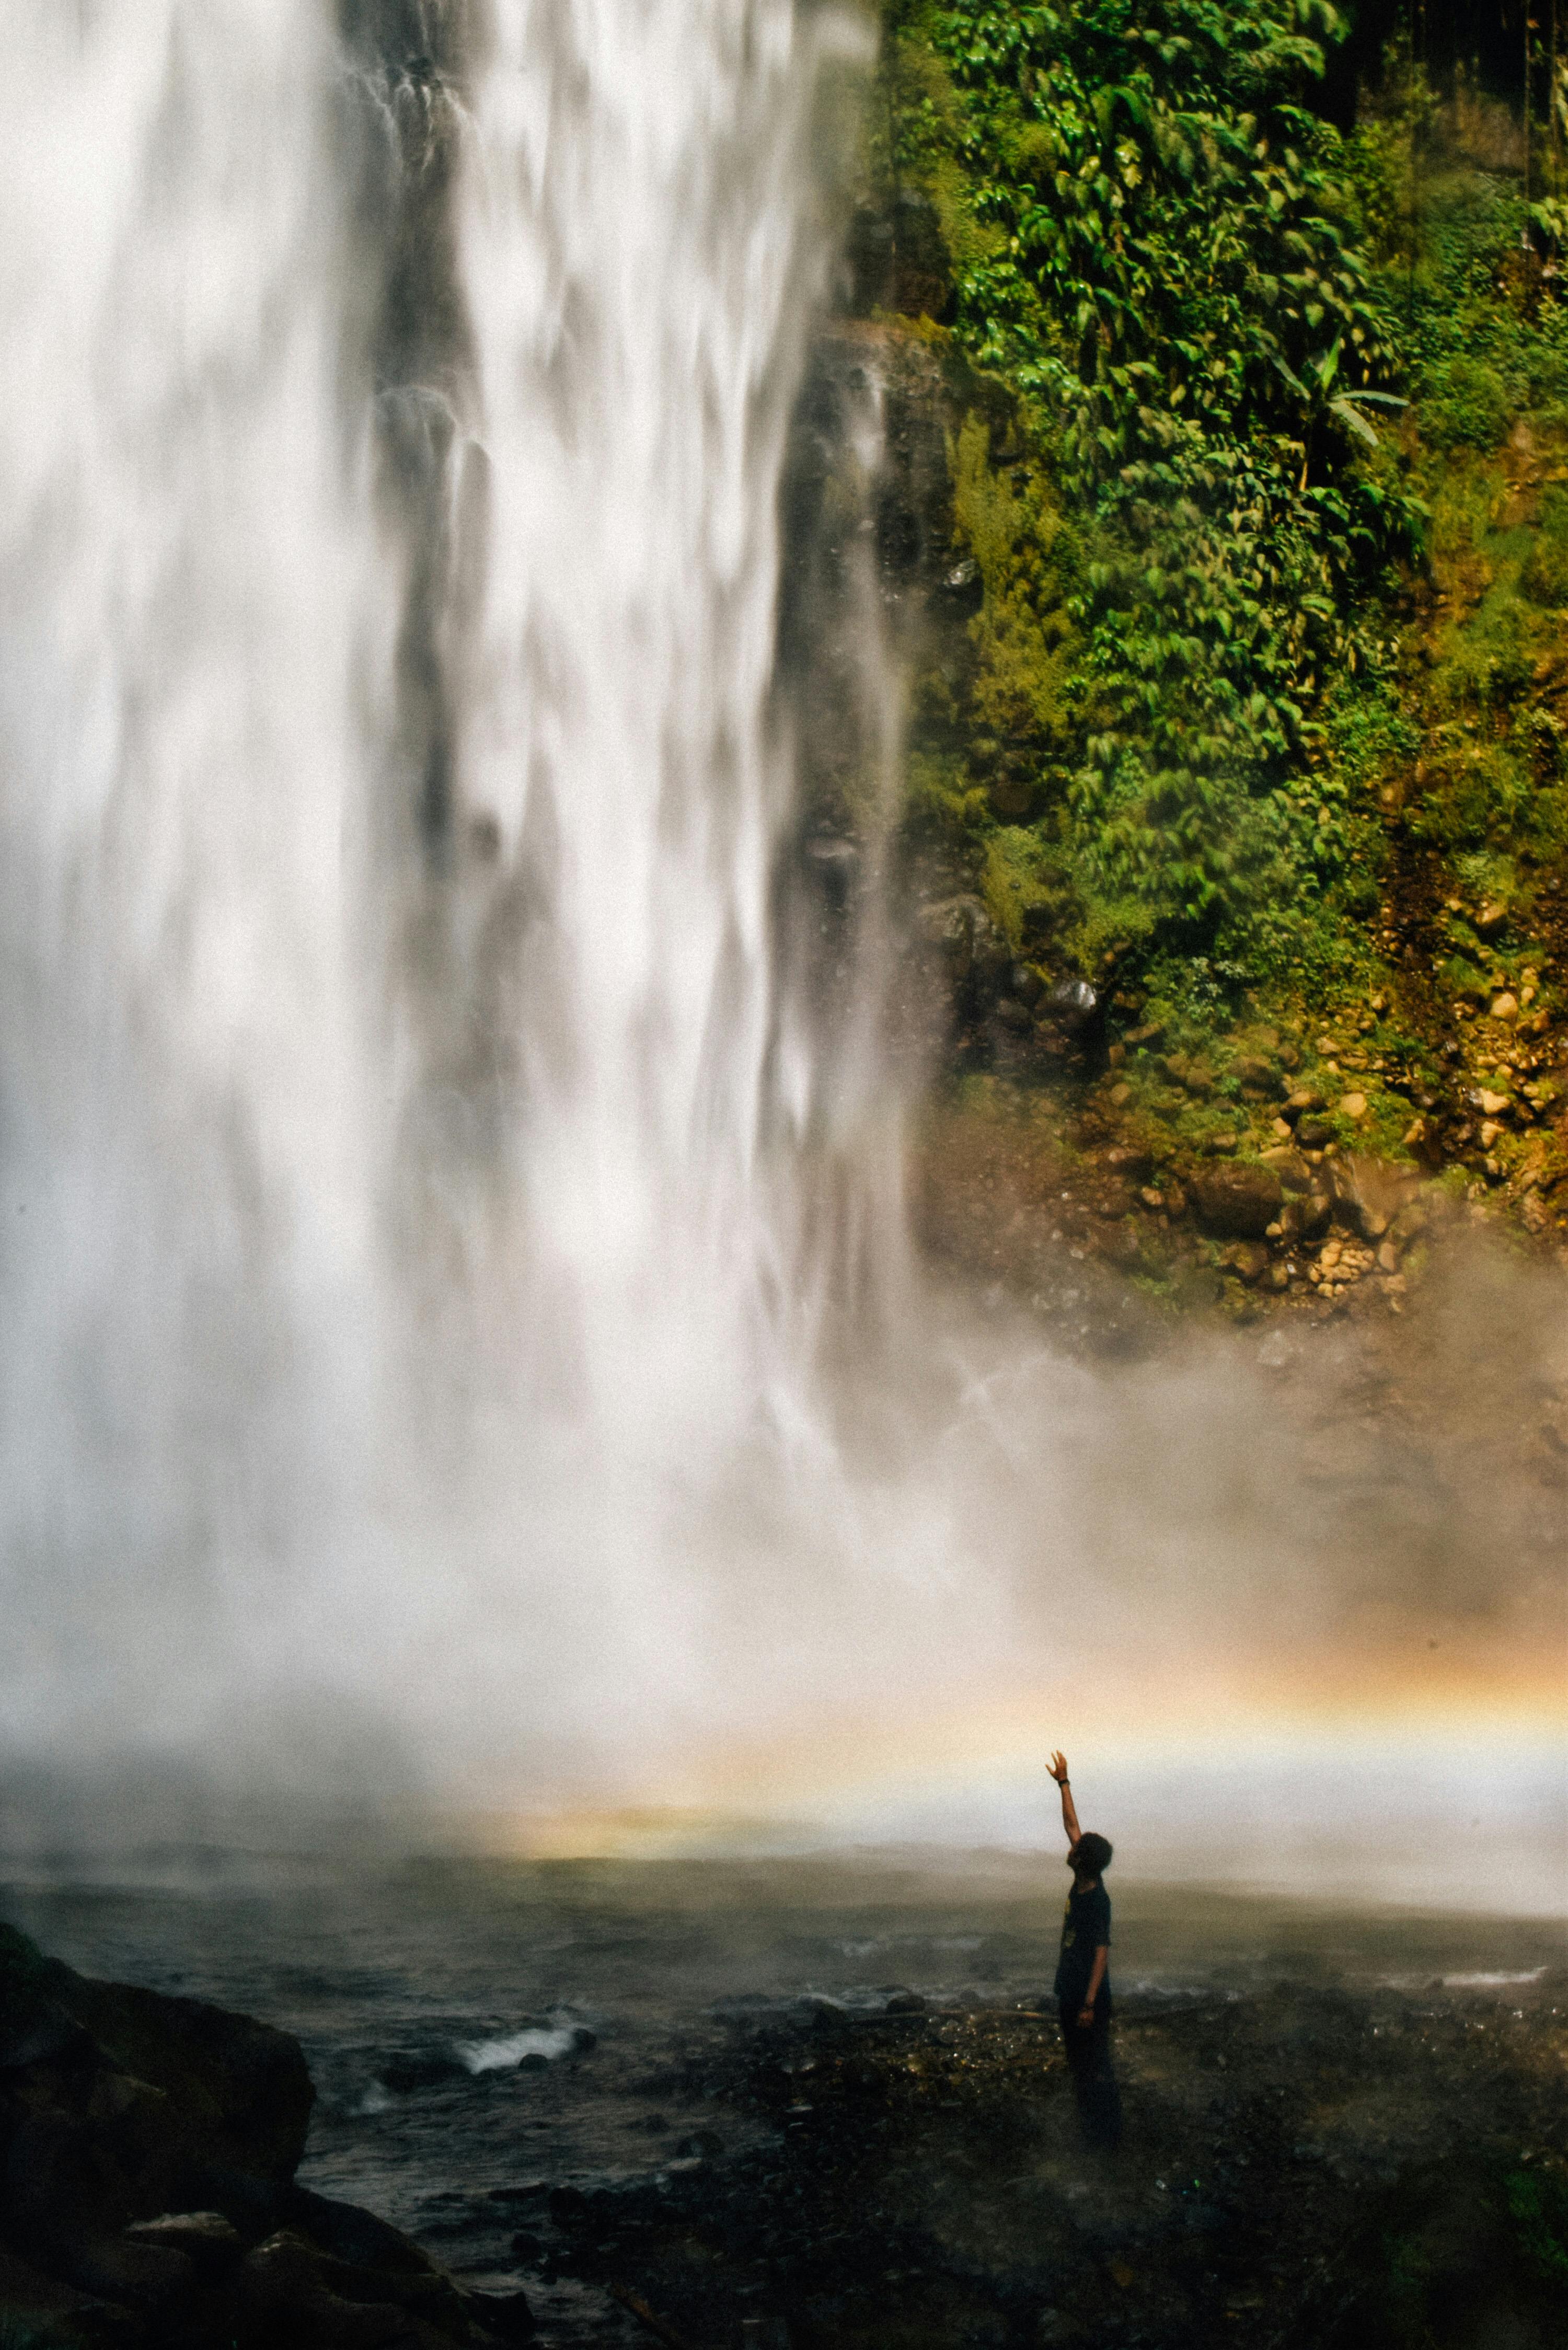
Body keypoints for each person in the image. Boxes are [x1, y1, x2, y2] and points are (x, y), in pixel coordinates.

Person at [1047, 1749, 1122, 2150]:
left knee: (1094, 2064)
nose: (1070, 1847)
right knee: (1081, 2063)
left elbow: (1101, 1953)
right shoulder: (1085, 1878)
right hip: (1072, 1990)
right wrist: (1064, 1783)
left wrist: (1089, 2004)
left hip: (1086, 1996)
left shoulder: (1096, 1901)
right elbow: (1072, 1825)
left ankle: (1106, 2134)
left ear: (1082, 1861)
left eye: (1076, 1849)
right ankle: (1093, 2128)